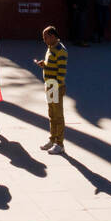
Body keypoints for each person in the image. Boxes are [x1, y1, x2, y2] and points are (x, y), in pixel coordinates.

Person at [35, 24, 68, 154]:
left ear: (53, 36)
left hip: (55, 87)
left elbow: (61, 71)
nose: (44, 40)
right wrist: (45, 65)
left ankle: (59, 144)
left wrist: (56, 87)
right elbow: (52, 65)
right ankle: (52, 139)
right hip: (49, 85)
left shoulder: (61, 50)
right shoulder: (50, 48)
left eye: (46, 37)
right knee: (51, 114)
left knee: (58, 115)